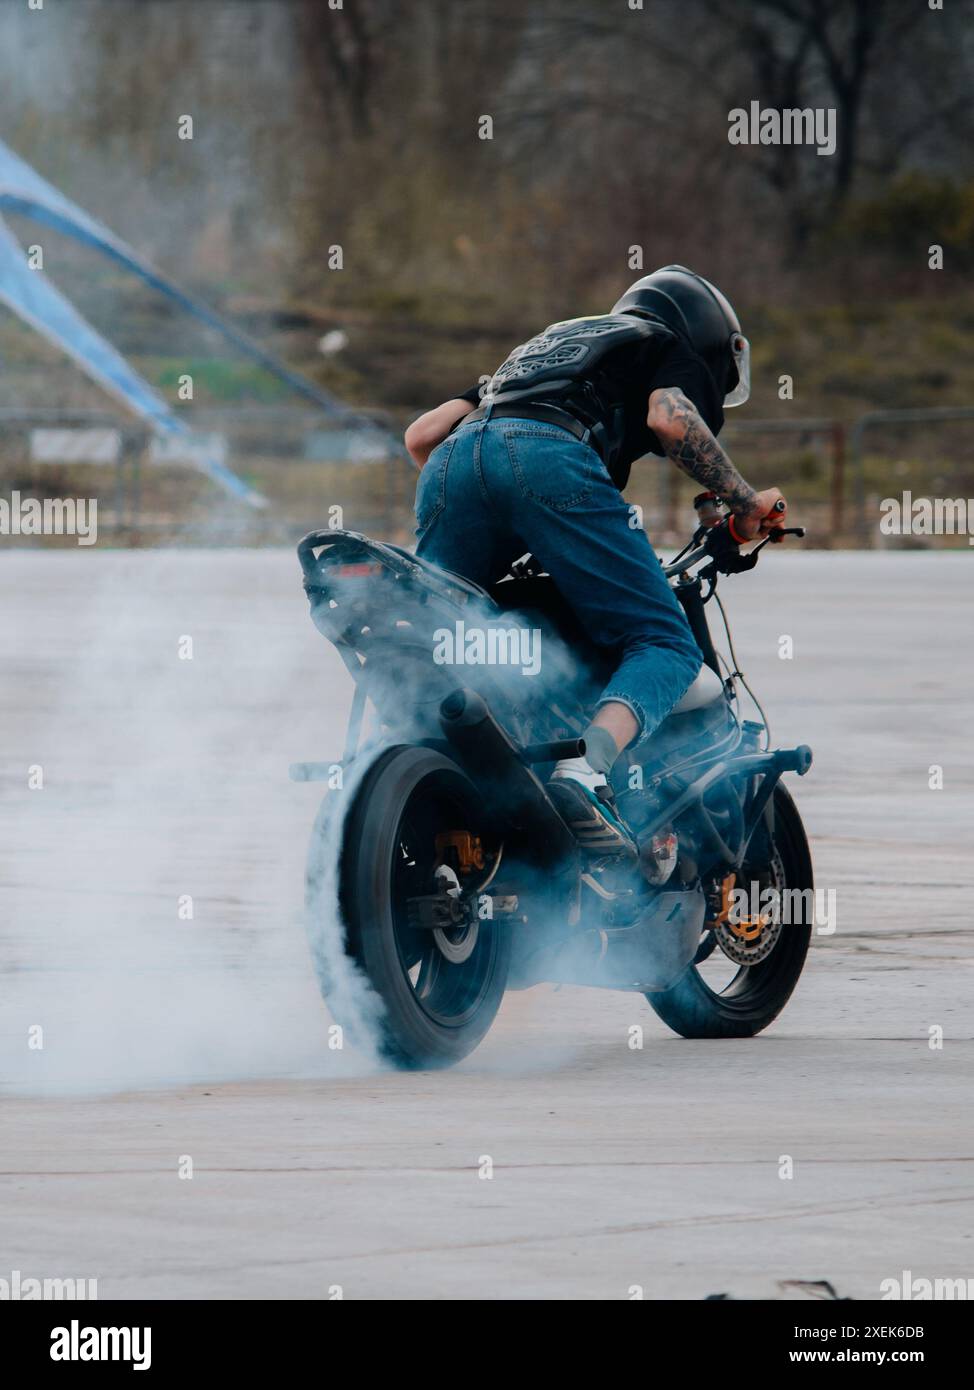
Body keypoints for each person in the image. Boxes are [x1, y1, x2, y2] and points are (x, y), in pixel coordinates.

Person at [405, 265, 786, 855]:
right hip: (548, 456)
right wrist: (745, 501)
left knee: (444, 641)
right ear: (711, 339)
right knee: (664, 641)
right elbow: (668, 419)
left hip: (452, 464)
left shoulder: (549, 344)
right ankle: (586, 771)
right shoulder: (665, 344)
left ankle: (422, 770)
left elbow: (422, 437)